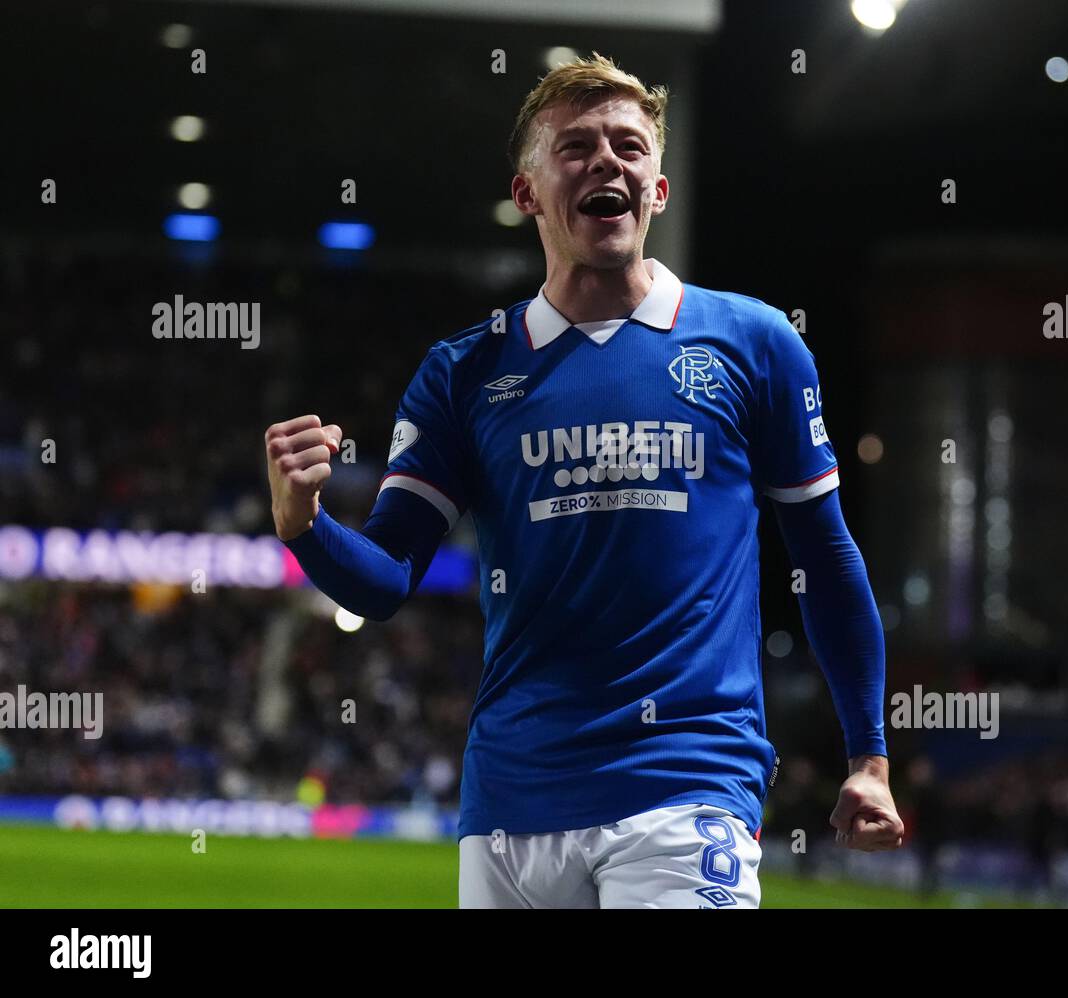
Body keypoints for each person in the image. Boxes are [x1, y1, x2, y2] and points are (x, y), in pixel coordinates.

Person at [264, 53, 900, 908]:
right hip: (512, 803)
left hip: (688, 783)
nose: (609, 162)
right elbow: (382, 582)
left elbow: (824, 558)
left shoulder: (755, 345)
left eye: (630, 148)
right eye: (578, 147)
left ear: (659, 189)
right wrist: (305, 524)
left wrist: (870, 759)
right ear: (527, 193)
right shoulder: (465, 372)